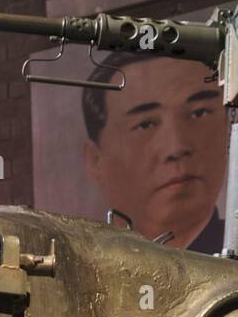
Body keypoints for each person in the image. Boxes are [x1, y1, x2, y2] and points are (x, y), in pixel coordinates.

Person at [80, 51, 228, 252]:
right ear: (95, 160)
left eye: (199, 113)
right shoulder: (77, 271)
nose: (176, 147)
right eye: (145, 124)